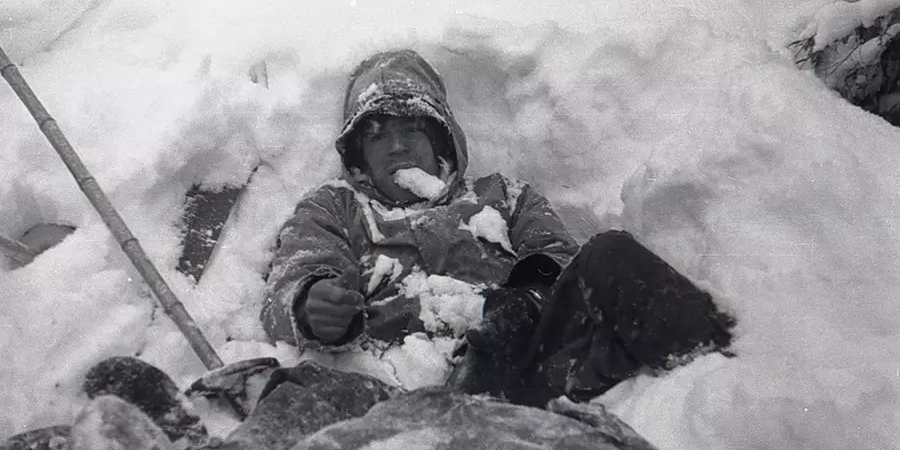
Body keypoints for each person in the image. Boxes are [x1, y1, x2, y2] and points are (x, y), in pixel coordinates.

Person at [257, 48, 735, 413]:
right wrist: (309, 302)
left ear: (439, 135)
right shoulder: (335, 206)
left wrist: (524, 299)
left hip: (525, 364)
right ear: (358, 154)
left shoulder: (502, 196)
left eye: (411, 129)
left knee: (613, 255)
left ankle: (723, 393)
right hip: (400, 391)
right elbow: (296, 271)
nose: (397, 145)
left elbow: (561, 259)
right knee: (293, 400)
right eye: (377, 135)